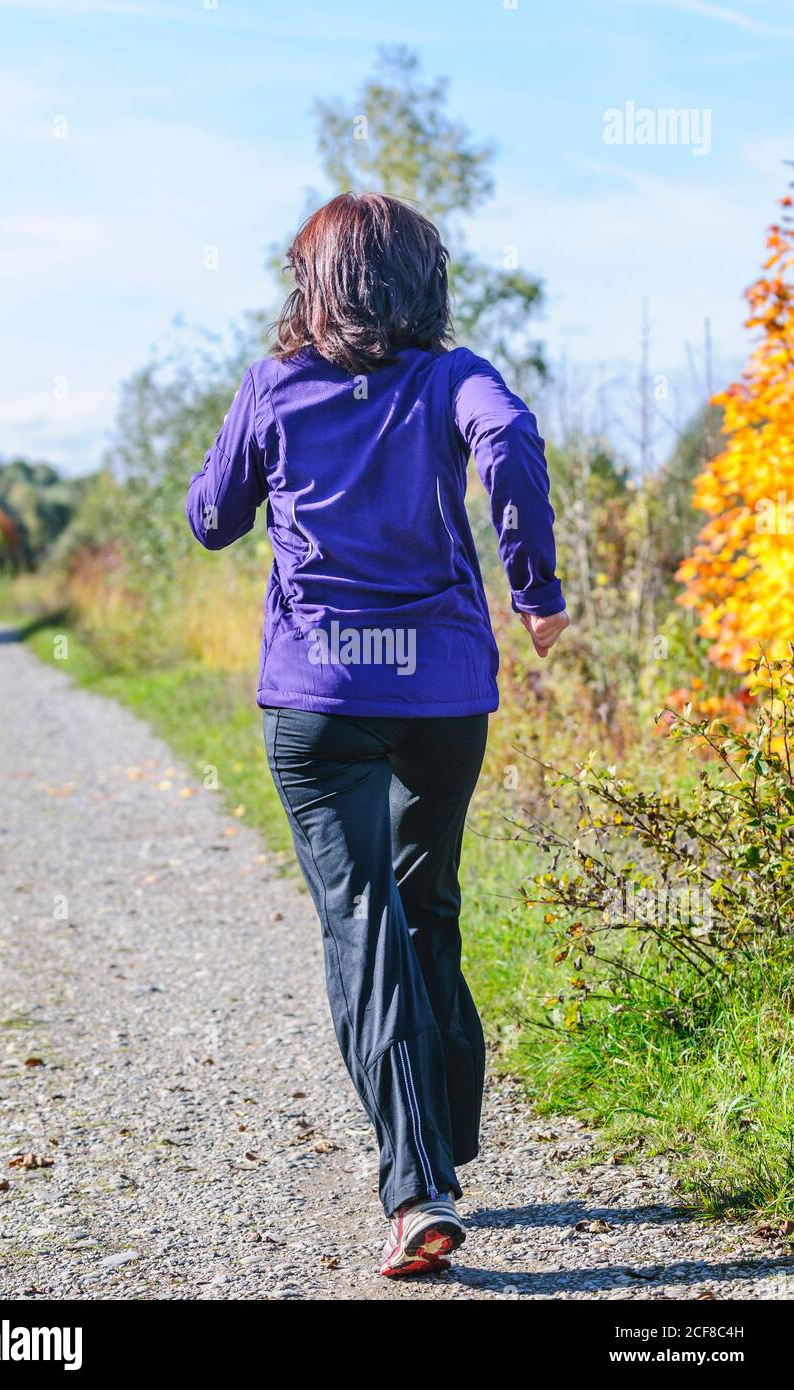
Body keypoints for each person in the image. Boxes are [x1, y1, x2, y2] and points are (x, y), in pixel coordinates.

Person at [186, 192, 569, 1277]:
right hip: (439, 693)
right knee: (424, 897)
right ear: (419, 282)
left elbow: (210, 516)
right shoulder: (452, 377)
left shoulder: (274, 385)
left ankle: (417, 1185)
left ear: (313, 286)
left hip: (319, 696)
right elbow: (507, 437)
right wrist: (535, 589)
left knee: (364, 918)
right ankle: (438, 1147)